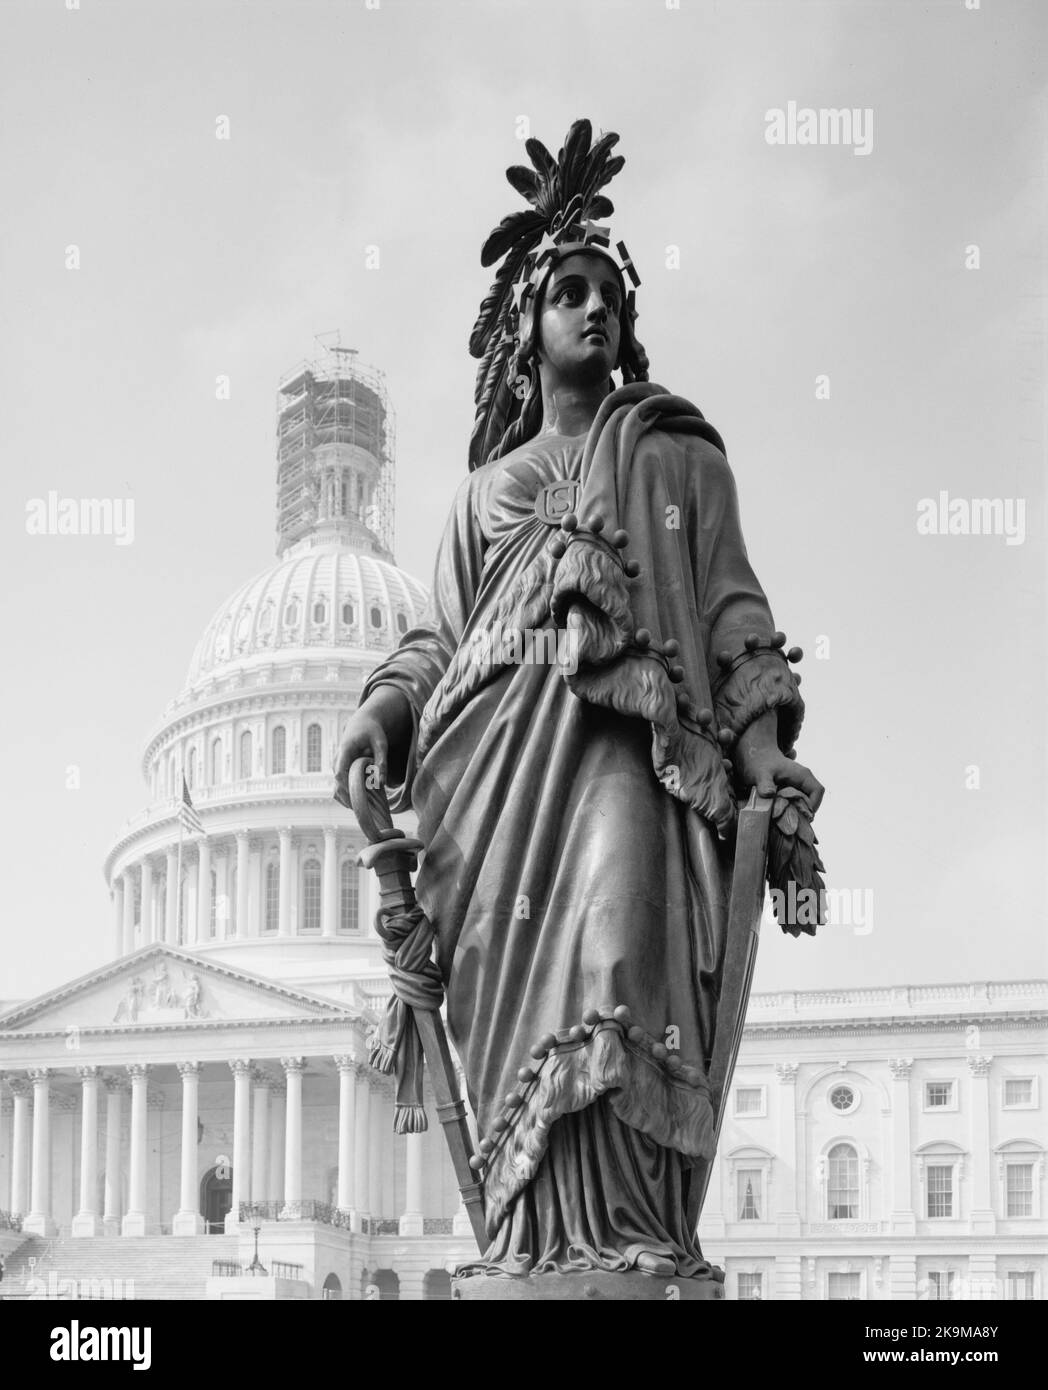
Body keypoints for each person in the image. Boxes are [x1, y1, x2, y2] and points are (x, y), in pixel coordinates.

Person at [335, 122, 823, 1282]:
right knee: (518, 1009)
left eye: (608, 293)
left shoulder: (674, 457)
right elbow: (439, 642)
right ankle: (535, 1240)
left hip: (620, 758)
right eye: (567, 292)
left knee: (620, 954)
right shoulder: (479, 498)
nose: (593, 310)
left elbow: (729, 611)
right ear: (526, 331)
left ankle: (630, 1231)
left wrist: (757, 749)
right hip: (493, 794)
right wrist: (383, 715)